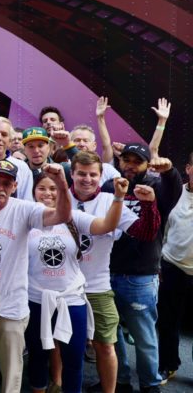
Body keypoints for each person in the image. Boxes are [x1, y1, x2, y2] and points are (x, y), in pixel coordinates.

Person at [0, 160, 73, 393]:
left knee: (12, 373)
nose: (0, 187)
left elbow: (62, 216)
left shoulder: (24, 209)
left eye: (7, 183)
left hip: (11, 306)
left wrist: (62, 185)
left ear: (15, 186)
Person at [24, 174, 128, 393]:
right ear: (33, 192)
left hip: (71, 299)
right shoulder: (25, 218)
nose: (48, 193)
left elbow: (107, 225)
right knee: (37, 355)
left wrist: (118, 198)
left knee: (73, 358)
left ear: (62, 191)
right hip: (35, 299)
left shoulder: (73, 217)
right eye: (42, 188)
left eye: (53, 189)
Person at [68, 150, 160, 393]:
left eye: (92, 175)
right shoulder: (58, 198)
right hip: (62, 287)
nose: (86, 179)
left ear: (100, 176)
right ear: (72, 174)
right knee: (62, 344)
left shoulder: (110, 201)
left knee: (105, 345)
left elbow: (145, 232)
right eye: (81, 174)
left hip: (97, 286)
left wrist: (149, 205)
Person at [101, 143, 182, 392]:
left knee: (145, 336)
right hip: (106, 272)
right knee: (111, 335)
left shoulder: (157, 187)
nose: (130, 165)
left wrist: (169, 172)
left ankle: (150, 384)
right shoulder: (109, 186)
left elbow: (174, 190)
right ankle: (120, 379)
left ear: (147, 164)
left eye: (137, 161)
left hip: (141, 276)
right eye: (126, 159)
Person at [157, 150, 193, 383]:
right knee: (168, 322)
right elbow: (163, 230)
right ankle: (168, 365)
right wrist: (158, 263)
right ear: (189, 168)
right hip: (172, 266)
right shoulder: (175, 193)